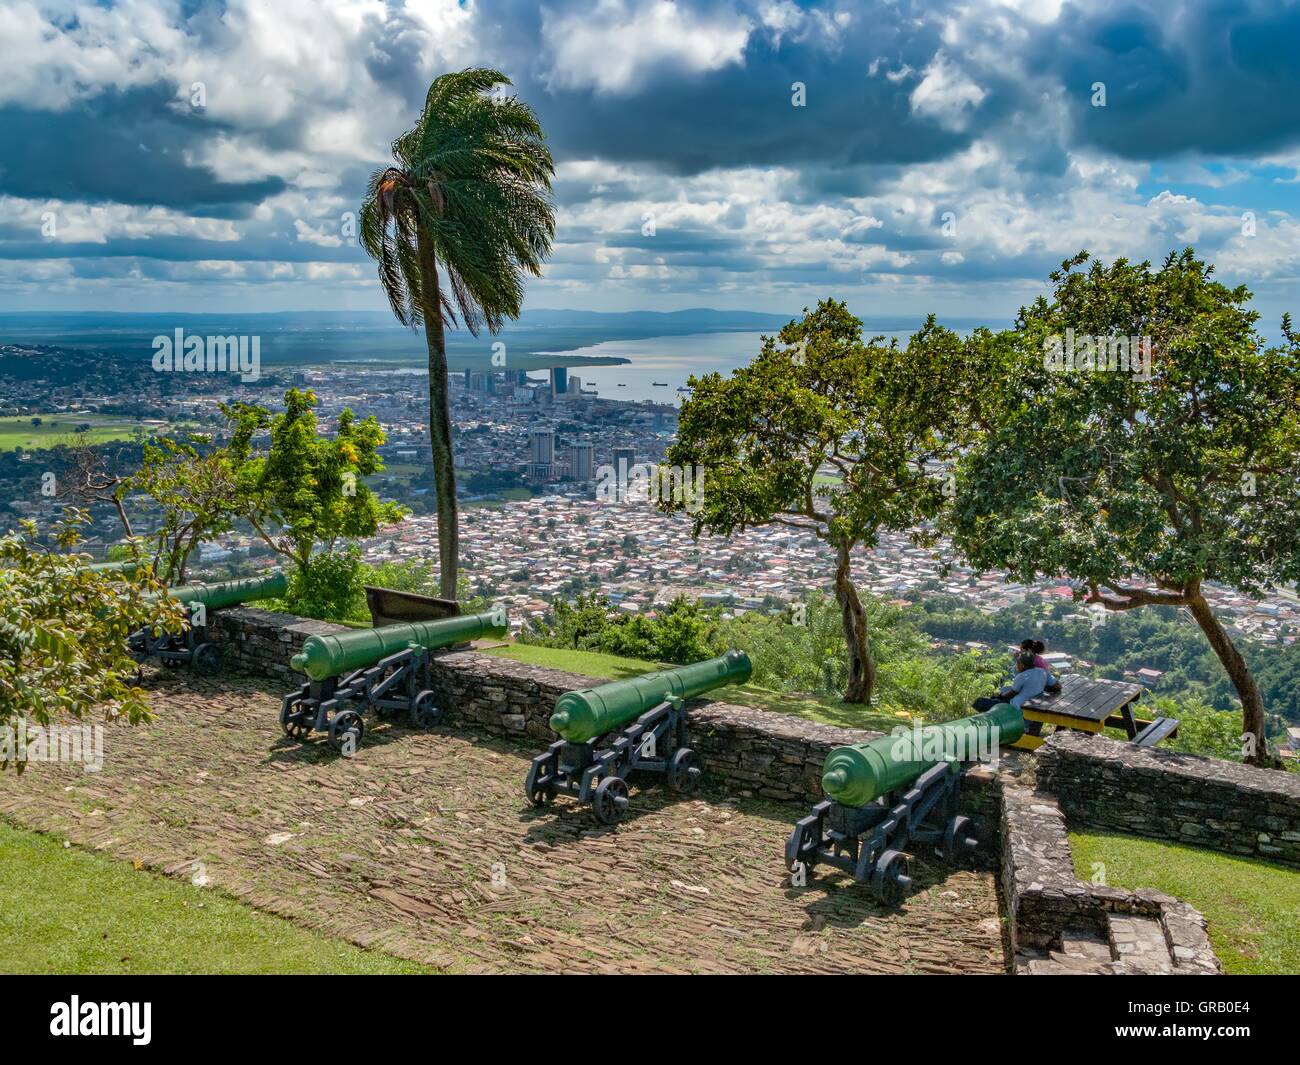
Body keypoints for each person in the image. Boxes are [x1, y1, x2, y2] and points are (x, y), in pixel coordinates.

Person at [972, 651, 1055, 713]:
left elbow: (1012, 693)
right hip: (1032, 701)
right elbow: (1057, 686)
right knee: (1003, 690)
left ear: (1022, 665)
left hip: (1016, 705)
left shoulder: (1022, 676)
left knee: (979, 702)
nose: (1016, 666)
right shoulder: (1042, 671)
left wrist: (1000, 697)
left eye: (1017, 664)